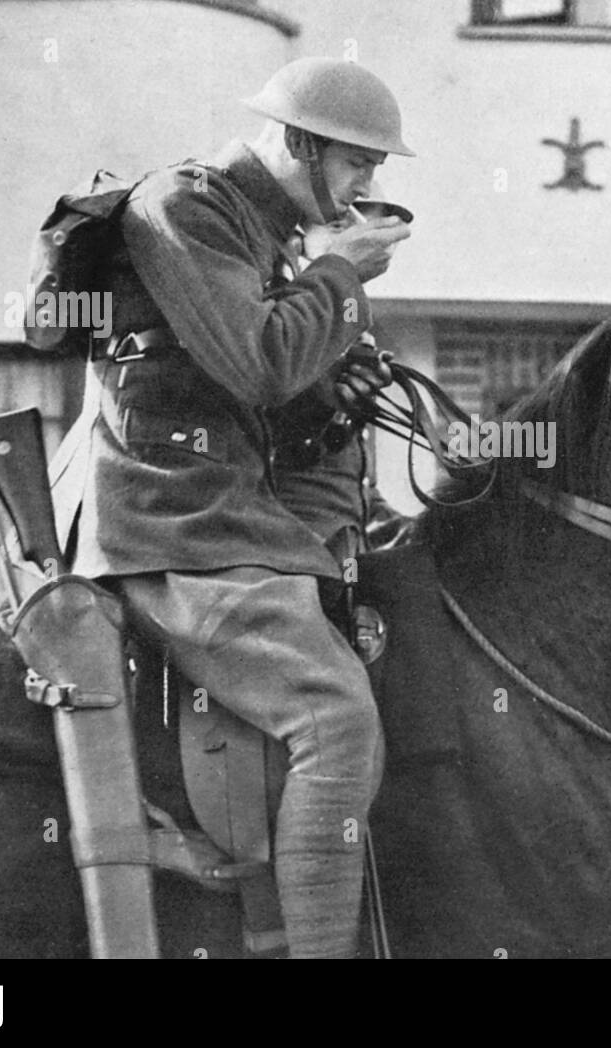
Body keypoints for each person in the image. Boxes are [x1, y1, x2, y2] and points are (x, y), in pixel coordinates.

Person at [49, 57, 413, 957]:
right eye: (356, 163)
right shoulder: (188, 207)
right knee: (335, 718)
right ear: (297, 143)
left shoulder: (271, 233)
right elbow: (258, 362)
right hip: (169, 519)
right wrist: (337, 279)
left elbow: (265, 387)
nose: (369, 185)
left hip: (226, 513)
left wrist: (337, 377)